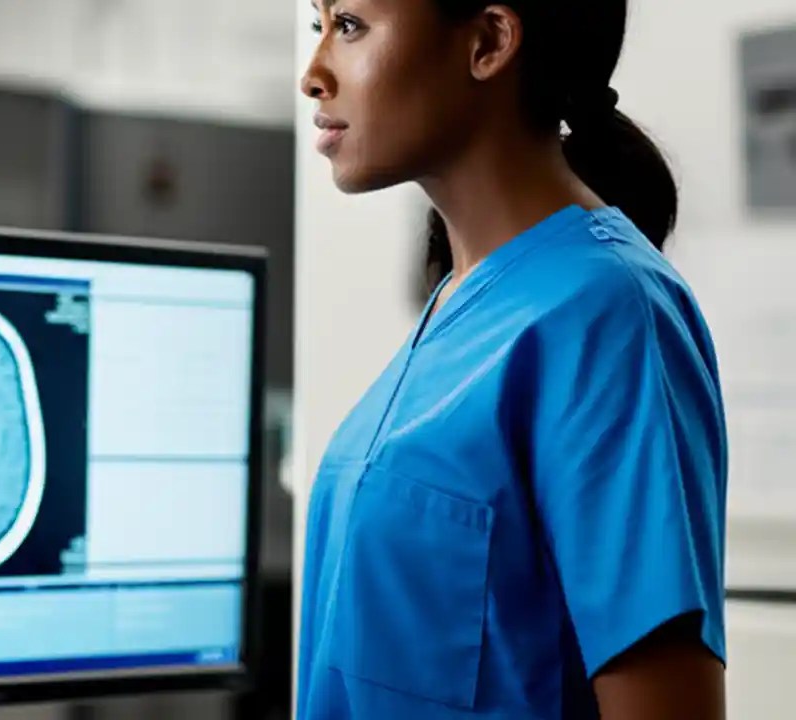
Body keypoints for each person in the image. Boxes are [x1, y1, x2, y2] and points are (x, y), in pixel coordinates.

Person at [298, 1, 728, 718]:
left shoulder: (609, 312)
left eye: (349, 26)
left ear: (489, 41)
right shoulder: (455, 309)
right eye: (319, 28)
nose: (314, 75)